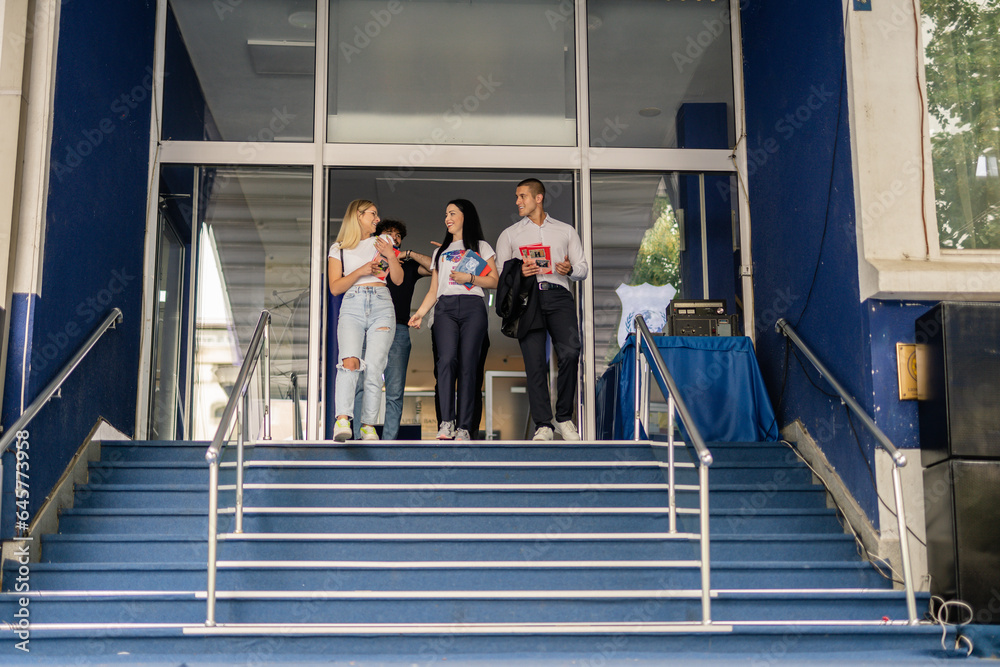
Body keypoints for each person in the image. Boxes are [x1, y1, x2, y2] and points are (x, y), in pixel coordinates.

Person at [495, 178, 588, 441]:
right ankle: (543, 425)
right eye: (517, 197)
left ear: (539, 198)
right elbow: (501, 274)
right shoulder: (509, 234)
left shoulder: (565, 230)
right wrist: (520, 272)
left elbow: (582, 268)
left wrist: (570, 269)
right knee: (535, 363)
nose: (517, 201)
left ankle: (564, 418)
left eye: (522, 196)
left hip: (559, 295)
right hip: (528, 299)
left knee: (571, 353)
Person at [409, 199, 498, 441]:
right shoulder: (440, 252)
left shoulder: (480, 246)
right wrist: (420, 313)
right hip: (445, 308)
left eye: (452, 213)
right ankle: (446, 422)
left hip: (473, 307)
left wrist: (469, 278)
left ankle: (464, 427)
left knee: (469, 366)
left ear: (465, 216)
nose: (447, 218)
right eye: (446, 214)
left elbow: (494, 281)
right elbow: (433, 290)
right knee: (446, 361)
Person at [328, 200, 403, 442]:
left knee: (374, 368)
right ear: (358, 216)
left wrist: (391, 255)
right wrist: (361, 271)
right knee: (349, 362)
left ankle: (367, 426)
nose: (377, 219)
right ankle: (342, 420)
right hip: (352, 304)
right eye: (373, 214)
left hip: (382, 303)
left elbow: (398, 279)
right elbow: (335, 287)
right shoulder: (338, 248)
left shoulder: (384, 242)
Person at [351, 219, 432, 440]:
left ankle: (388, 443)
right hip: (369, 329)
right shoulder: (368, 261)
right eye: (389, 233)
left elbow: (436, 268)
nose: (394, 238)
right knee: (362, 385)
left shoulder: (408, 265)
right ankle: (358, 437)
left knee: (394, 392)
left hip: (399, 329)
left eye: (398, 235)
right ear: (378, 238)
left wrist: (408, 254)